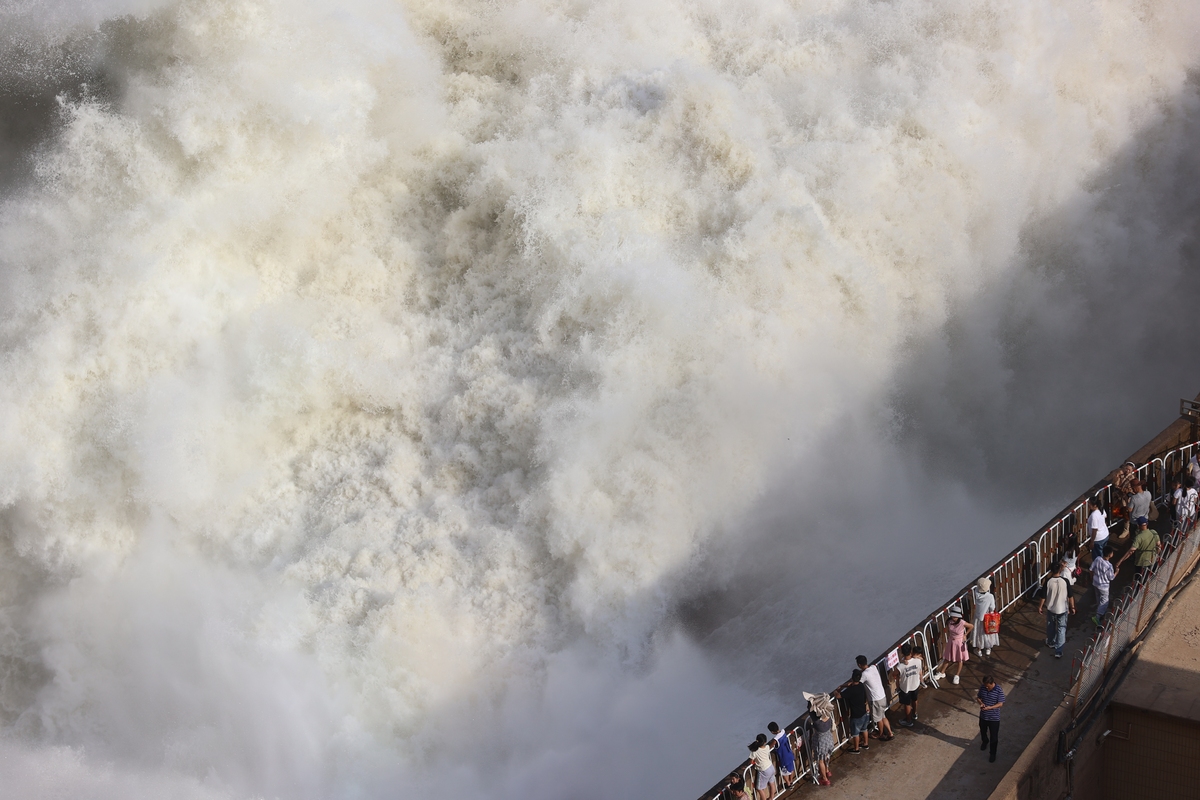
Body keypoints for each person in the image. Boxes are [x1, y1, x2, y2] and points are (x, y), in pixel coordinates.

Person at [1037, 559, 1075, 658]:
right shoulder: (1065, 581)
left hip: (1051, 609)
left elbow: (1043, 597)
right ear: (1060, 570)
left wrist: (1040, 607)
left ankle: (1050, 642)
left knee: (1051, 626)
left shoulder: (1048, 581)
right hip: (1063, 610)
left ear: (1051, 570)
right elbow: (1070, 596)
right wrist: (1073, 607)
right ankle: (1059, 651)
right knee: (1061, 629)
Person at [932, 606, 974, 685]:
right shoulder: (949, 621)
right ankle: (942, 672)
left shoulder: (962, 622)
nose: (953, 617)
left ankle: (957, 675)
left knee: (960, 659)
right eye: (952, 616)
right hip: (951, 641)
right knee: (947, 658)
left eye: (955, 616)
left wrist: (965, 635)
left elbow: (971, 626)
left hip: (959, 642)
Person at [856, 655, 894, 740]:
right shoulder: (873, 667)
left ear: (859, 665)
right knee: (883, 716)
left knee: (878, 719)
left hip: (875, 700)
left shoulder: (864, 674)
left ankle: (880, 734)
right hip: (882, 696)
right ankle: (890, 733)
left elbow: (857, 682)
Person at [801, 693, 836, 786]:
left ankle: (825, 779)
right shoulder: (827, 714)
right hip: (829, 739)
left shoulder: (816, 720)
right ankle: (827, 771)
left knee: (820, 760)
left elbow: (812, 712)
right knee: (826, 757)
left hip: (820, 742)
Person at [1115, 516, 1161, 583]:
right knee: (1153, 580)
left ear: (1138, 525)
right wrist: (1156, 555)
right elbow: (1159, 545)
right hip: (1153, 561)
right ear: (1147, 524)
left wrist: (1120, 561)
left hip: (1141, 563)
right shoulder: (1154, 532)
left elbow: (1131, 551)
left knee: (1140, 582)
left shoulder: (1138, 537)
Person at [835, 670, 871, 754]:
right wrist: (844, 685)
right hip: (864, 713)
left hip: (856, 715)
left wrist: (836, 691)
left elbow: (838, 696)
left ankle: (856, 748)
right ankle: (865, 744)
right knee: (864, 729)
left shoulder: (851, 690)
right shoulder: (861, 685)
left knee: (855, 733)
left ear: (852, 678)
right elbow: (851, 685)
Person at [976, 675, 1006, 763]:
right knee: (983, 730)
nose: (986, 687)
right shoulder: (983, 687)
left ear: (992, 683)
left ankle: (993, 753)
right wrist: (981, 703)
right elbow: (978, 698)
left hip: (994, 718)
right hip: (983, 716)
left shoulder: (998, 690)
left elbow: (1000, 704)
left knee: (994, 737)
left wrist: (990, 707)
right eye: (985, 685)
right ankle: (985, 741)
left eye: (987, 685)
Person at [893, 644, 923, 727]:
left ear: (902, 653)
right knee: (914, 699)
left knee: (907, 704)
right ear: (911, 652)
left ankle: (908, 720)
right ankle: (914, 713)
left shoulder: (901, 666)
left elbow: (894, 674)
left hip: (905, 687)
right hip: (915, 685)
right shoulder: (918, 661)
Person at [970, 577, 999, 656]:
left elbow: (976, 588)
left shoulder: (976, 594)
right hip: (988, 617)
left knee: (979, 633)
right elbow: (992, 607)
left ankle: (979, 650)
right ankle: (988, 649)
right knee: (988, 632)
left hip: (978, 618)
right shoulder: (990, 596)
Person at [1090, 544, 1117, 626]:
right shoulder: (1109, 566)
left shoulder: (1097, 559)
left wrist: (1092, 578)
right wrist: (1117, 572)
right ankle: (1097, 616)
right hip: (1104, 586)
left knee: (1099, 599)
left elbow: (1091, 569)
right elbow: (1111, 577)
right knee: (1105, 601)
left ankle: (1101, 612)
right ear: (1110, 555)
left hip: (1095, 583)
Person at [767, 722, 796, 788]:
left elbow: (770, 746)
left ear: (772, 732)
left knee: (784, 773)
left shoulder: (776, 739)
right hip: (789, 754)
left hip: (784, 758)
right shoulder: (783, 731)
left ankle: (788, 784)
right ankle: (791, 781)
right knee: (791, 769)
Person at [1112, 463, 1136, 539]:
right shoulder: (1121, 476)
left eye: (1129, 469)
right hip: (1120, 497)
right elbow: (1115, 484)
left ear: (1132, 470)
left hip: (1127, 498)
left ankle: (1126, 530)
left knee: (1127, 514)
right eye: (1126, 469)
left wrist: (1122, 489)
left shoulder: (1132, 478)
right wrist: (1117, 476)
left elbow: (1130, 489)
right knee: (1121, 512)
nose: (1127, 471)